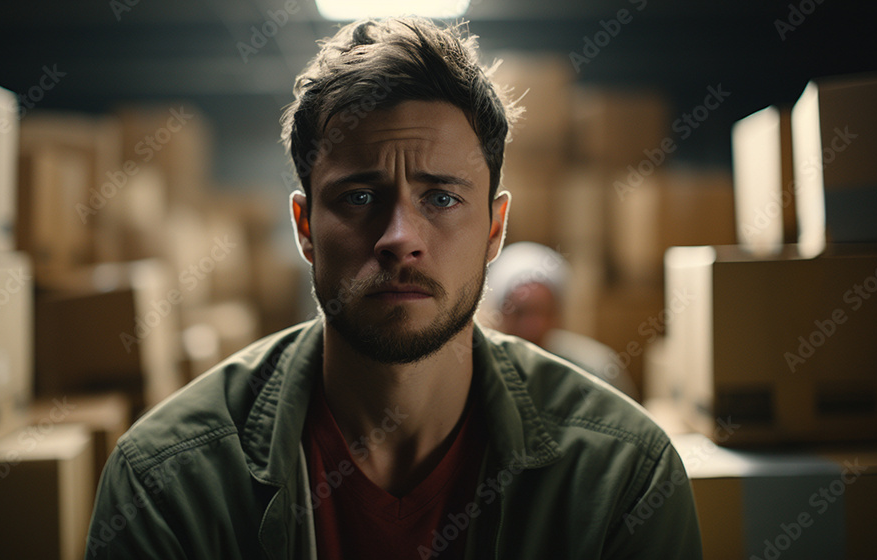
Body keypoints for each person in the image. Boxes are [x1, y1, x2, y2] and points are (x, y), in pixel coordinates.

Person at [85, 16, 702, 560]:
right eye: (359, 197)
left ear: (494, 228)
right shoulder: (169, 483)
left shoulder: (622, 476)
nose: (399, 237)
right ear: (305, 228)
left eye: (440, 197)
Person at [482, 241, 639, 399]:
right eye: (520, 313)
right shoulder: (482, 375)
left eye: (541, 312)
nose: (532, 326)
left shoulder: (595, 368)